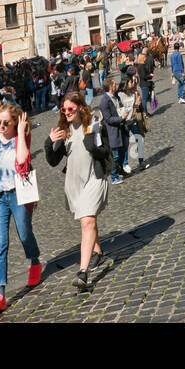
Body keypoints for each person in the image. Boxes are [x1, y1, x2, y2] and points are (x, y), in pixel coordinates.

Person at [0, 104, 42, 314]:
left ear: (15, 122)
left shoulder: (20, 140)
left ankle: (34, 262)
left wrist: (21, 134)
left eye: (6, 122)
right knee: (0, 243)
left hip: (18, 195)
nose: (1, 126)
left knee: (24, 234)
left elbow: (22, 163)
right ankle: (0, 295)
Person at [45, 91, 112, 292]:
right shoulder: (64, 130)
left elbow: (104, 150)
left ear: (81, 107)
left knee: (87, 221)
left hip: (95, 178)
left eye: (70, 109)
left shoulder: (93, 123)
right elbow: (53, 161)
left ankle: (83, 272)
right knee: (88, 219)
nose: (66, 112)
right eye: (64, 109)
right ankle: (98, 251)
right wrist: (50, 142)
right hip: (75, 184)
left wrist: (91, 140)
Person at [94, 79, 127, 184]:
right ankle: (114, 176)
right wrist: (122, 118)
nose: (116, 84)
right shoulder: (104, 101)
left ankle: (119, 170)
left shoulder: (115, 96)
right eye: (114, 83)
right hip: (112, 132)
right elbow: (108, 119)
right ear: (110, 86)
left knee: (123, 151)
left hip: (121, 128)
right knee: (115, 155)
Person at [117, 77, 148, 172]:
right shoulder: (119, 95)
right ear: (126, 84)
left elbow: (135, 106)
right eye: (131, 82)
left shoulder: (133, 93)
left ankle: (141, 161)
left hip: (133, 120)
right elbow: (119, 109)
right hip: (125, 122)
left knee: (140, 139)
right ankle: (125, 164)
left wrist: (137, 103)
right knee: (125, 144)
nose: (132, 83)